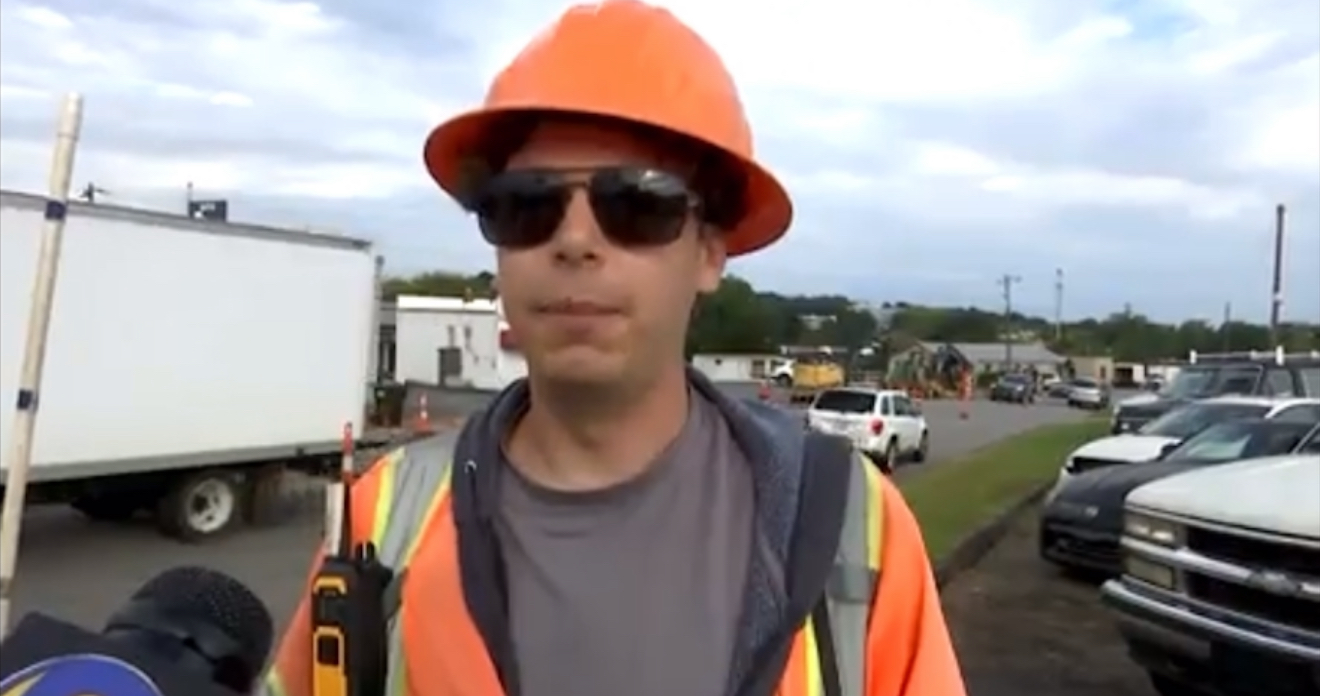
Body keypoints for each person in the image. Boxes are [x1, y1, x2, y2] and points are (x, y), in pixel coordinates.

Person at [261, 2, 967, 695]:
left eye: (636, 203)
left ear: (711, 252)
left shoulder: (848, 523)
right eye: (527, 204)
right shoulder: (384, 514)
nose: (573, 240)